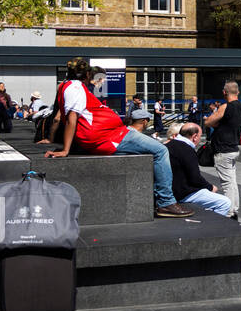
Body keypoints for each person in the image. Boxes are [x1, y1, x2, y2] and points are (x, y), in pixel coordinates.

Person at [44, 57, 192, 217]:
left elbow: (63, 118)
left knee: (146, 152)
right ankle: (166, 203)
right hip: (109, 136)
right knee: (161, 150)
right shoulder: (76, 87)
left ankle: (161, 198)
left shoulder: (66, 86)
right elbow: (72, 118)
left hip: (109, 135)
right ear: (87, 74)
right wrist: (66, 150)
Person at [164, 123, 233, 217]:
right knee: (224, 203)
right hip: (182, 193)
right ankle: (210, 227)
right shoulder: (187, 149)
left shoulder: (170, 145)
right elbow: (195, 178)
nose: (200, 139)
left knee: (209, 199)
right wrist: (210, 187)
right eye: (200, 136)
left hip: (171, 190)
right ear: (195, 136)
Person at [203, 81, 241, 217]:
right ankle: (234, 208)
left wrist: (216, 124)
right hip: (233, 148)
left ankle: (229, 211)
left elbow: (208, 122)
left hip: (223, 149)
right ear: (237, 92)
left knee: (227, 183)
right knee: (232, 181)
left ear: (224, 93)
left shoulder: (225, 106)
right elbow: (230, 123)